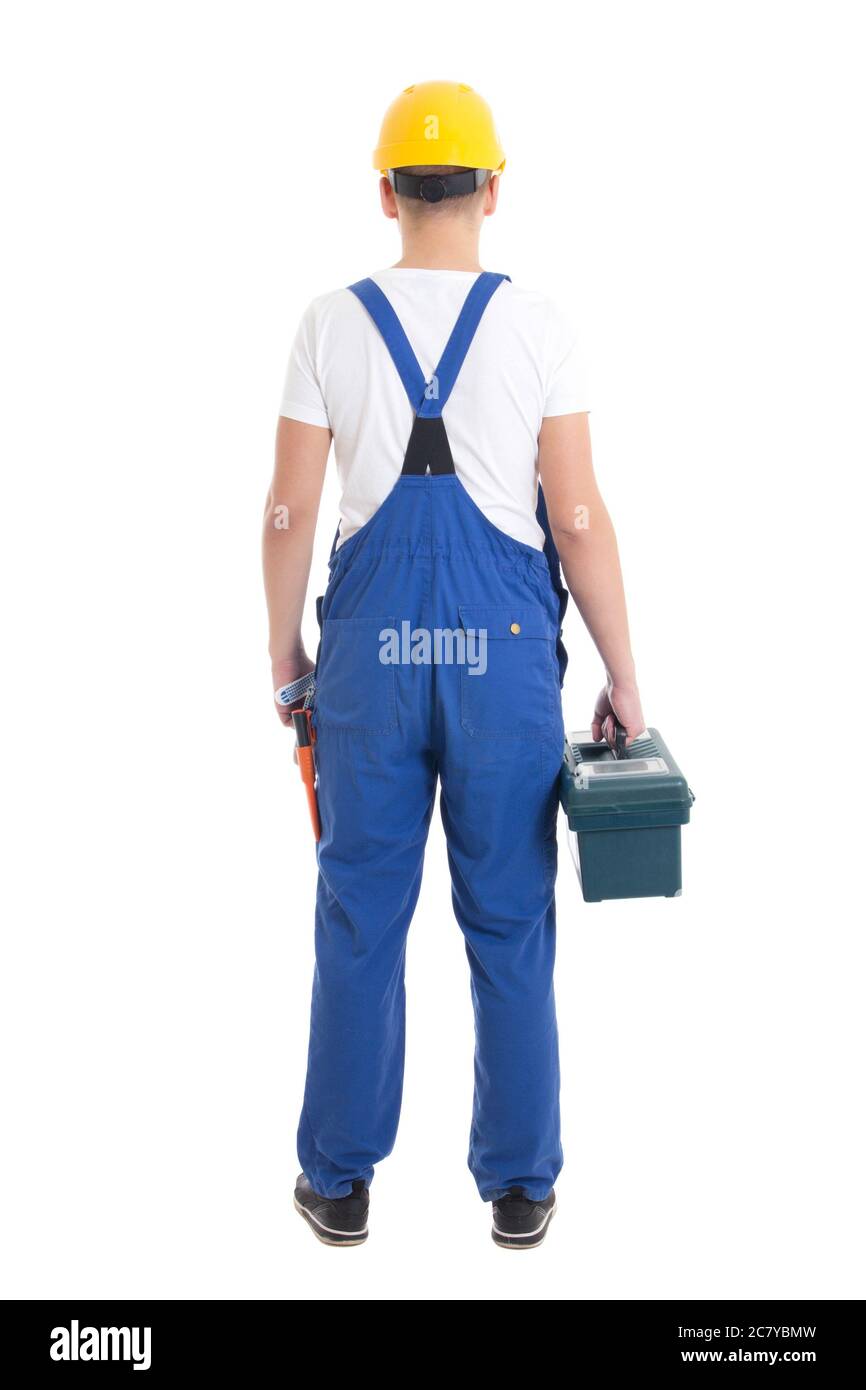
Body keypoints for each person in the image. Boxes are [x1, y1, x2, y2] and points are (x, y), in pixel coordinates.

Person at [262, 81, 645, 1250]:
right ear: (491, 190)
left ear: (384, 193)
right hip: (504, 666)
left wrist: (288, 665)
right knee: (509, 920)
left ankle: (336, 1183)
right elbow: (572, 516)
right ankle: (519, 1186)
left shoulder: (329, 323)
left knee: (358, 918)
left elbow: (289, 514)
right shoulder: (539, 326)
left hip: (371, 665)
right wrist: (626, 677)